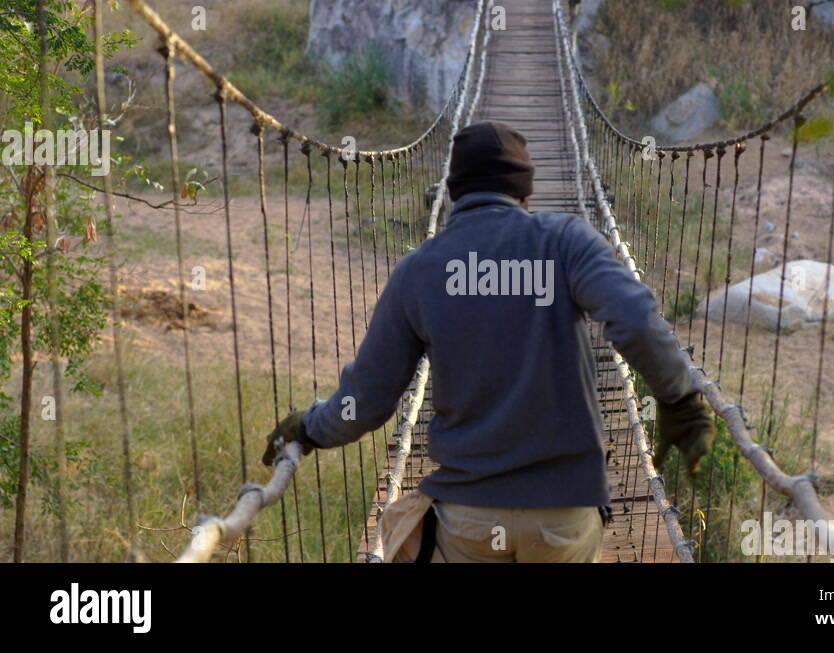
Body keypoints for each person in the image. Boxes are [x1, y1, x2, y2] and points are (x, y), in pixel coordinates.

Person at [261, 121, 714, 563]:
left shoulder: (419, 270)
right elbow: (635, 320)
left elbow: (366, 401)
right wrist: (679, 400)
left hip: (469, 519)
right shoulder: (566, 241)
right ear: (525, 193)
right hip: (564, 514)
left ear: (455, 193)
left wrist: (309, 427)